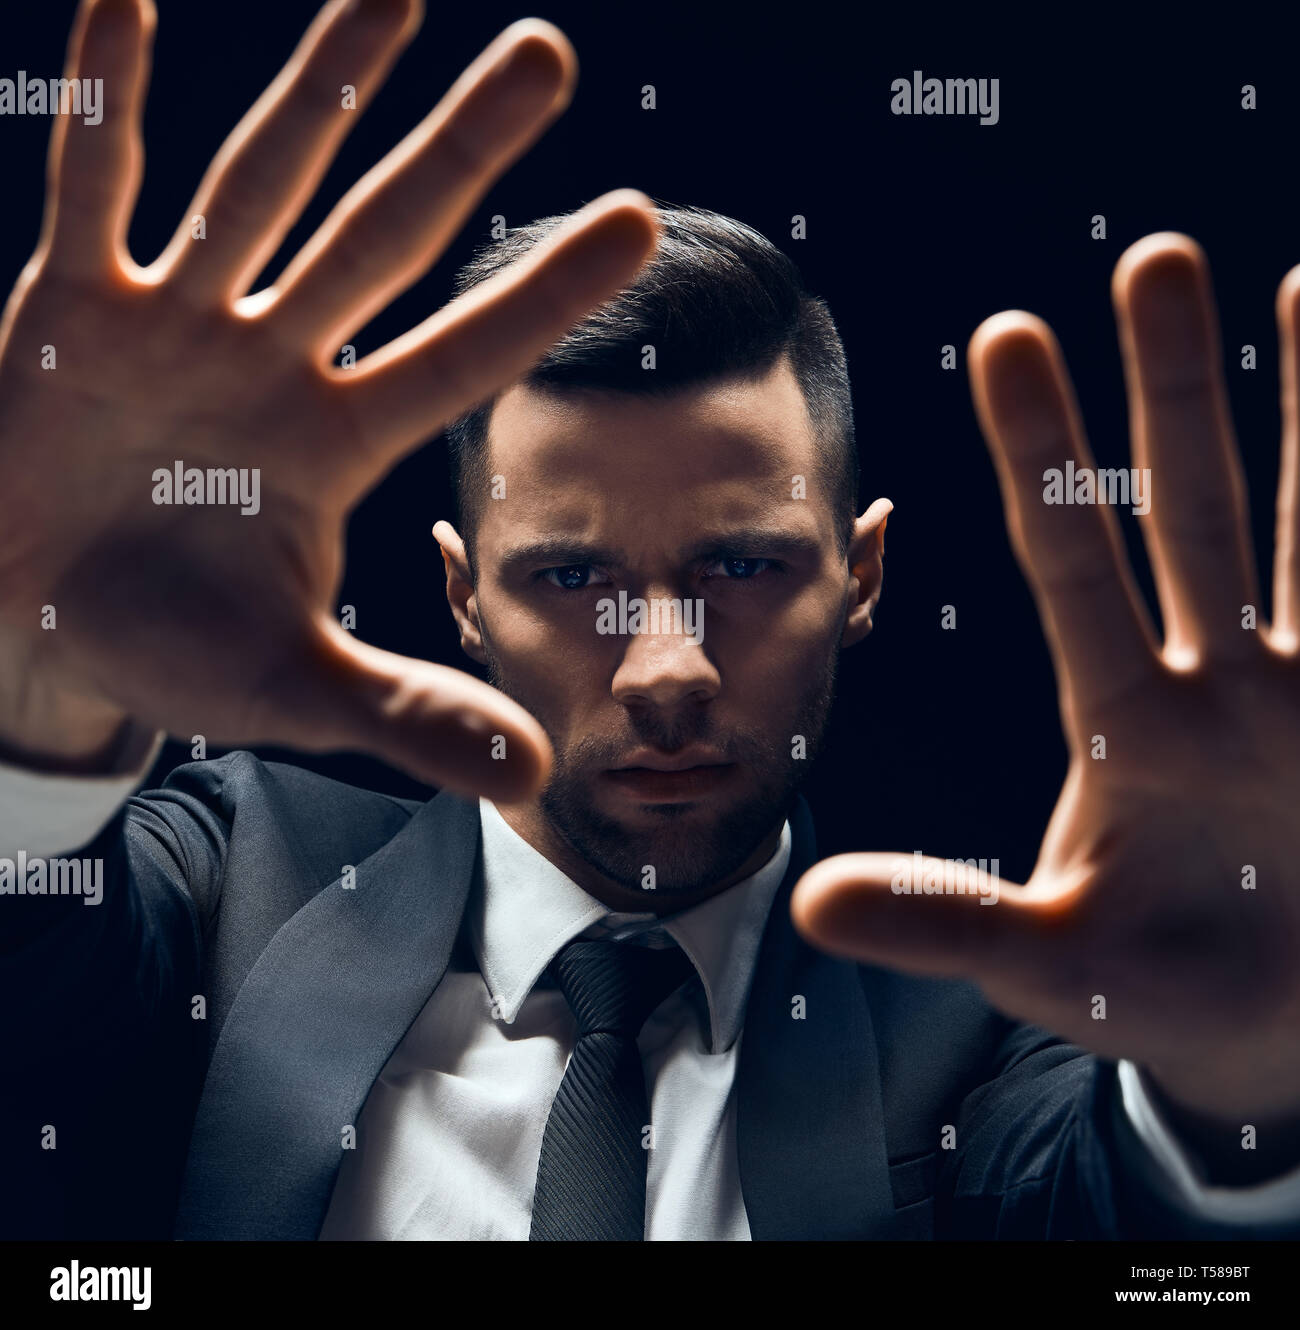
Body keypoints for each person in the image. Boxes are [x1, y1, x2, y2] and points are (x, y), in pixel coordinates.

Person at [2, 0, 1299, 1240]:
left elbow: (1126, 1229)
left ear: (864, 576)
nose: (667, 667)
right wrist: (36, 710)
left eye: (742, 565)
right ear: (461, 590)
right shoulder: (244, 874)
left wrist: (1231, 1105)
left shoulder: (987, 1011)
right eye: (570, 577)